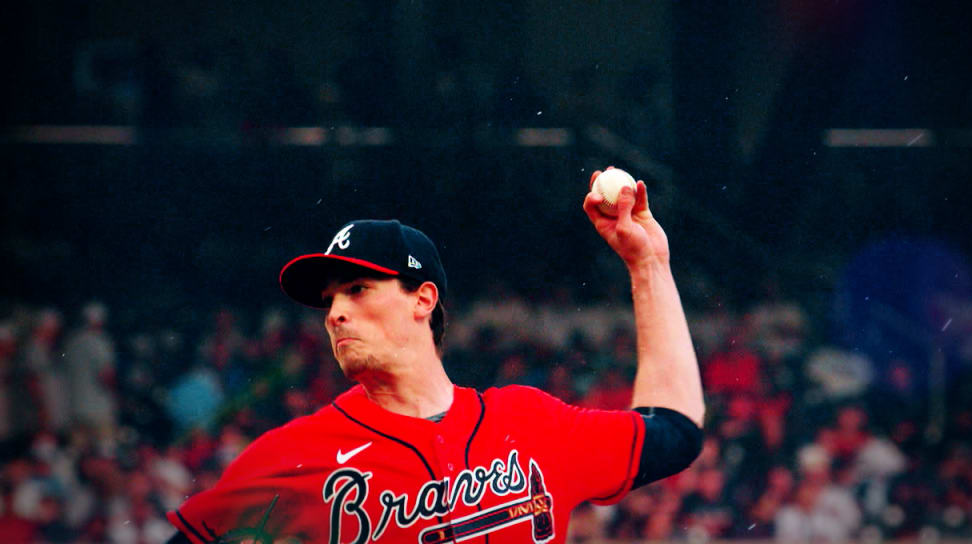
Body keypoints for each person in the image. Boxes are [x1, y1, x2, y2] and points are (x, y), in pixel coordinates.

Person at [165, 169, 706, 544]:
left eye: (356, 290)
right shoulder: (292, 458)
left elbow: (676, 431)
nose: (334, 314)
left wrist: (648, 265)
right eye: (329, 300)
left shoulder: (531, 423)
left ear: (423, 300)